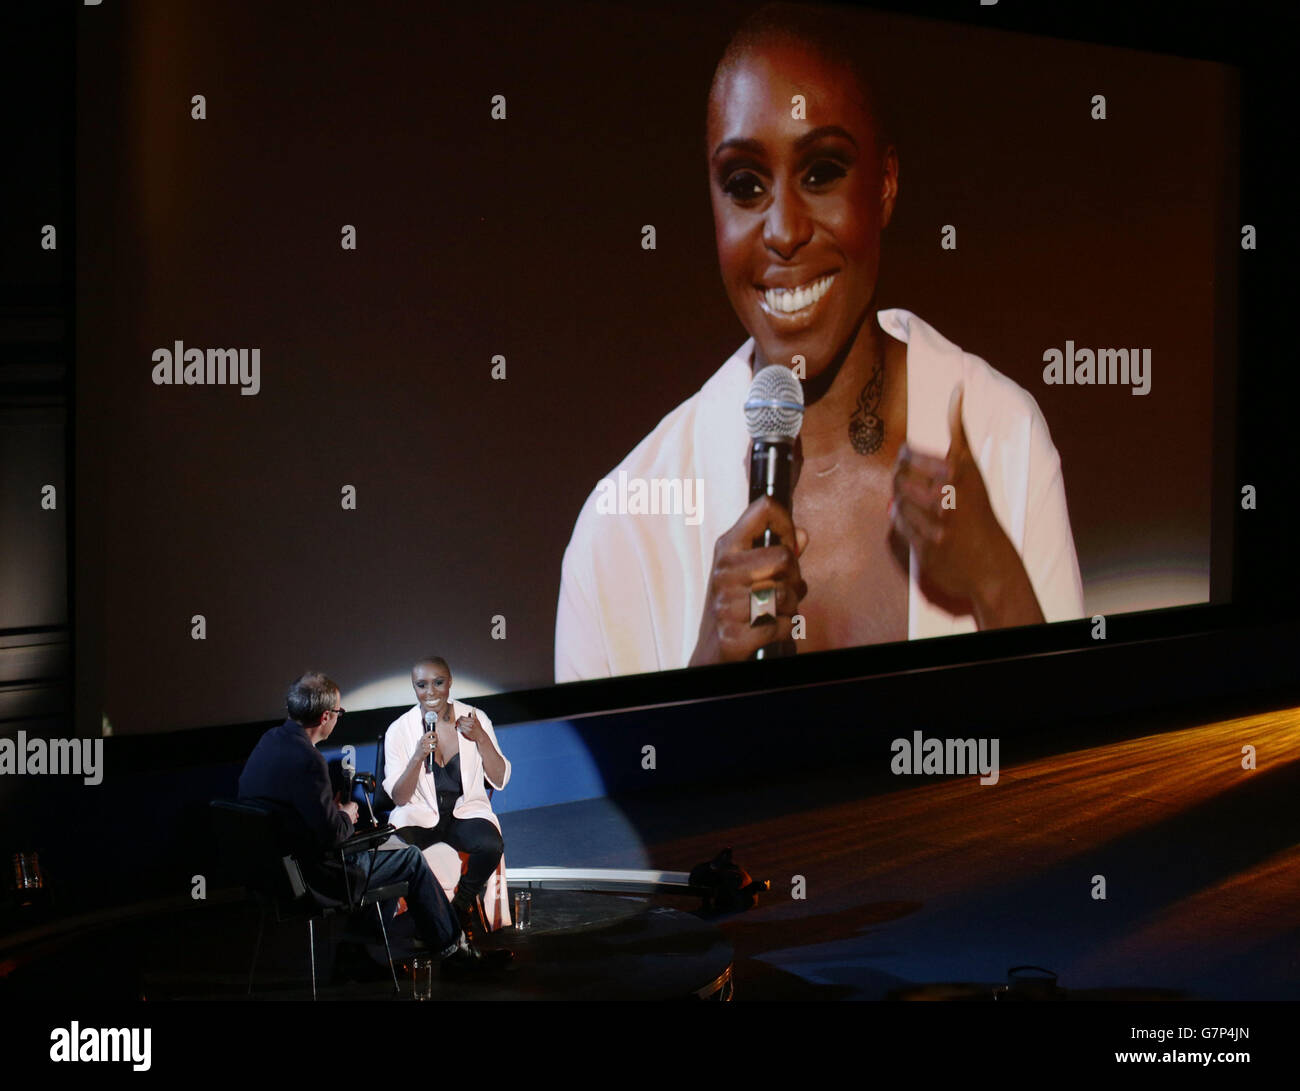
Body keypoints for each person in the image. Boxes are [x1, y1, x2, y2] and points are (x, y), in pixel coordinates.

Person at [555, 4, 1084, 682]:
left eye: (822, 172)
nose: (783, 230)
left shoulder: (1001, 438)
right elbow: (611, 788)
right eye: (745, 185)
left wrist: (996, 583)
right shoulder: (618, 534)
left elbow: (1076, 773)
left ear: (885, 184)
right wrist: (707, 668)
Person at [237, 670, 502, 976]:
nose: (338, 717)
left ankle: (356, 951)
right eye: (338, 712)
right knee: (410, 858)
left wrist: (330, 816)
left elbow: (279, 810)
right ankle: (454, 951)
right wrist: (346, 814)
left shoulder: (269, 741)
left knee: (387, 848)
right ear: (326, 717)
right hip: (315, 876)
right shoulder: (309, 760)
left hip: (272, 874)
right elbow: (334, 837)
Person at [383, 657, 511, 933]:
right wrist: (417, 757)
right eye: (422, 685)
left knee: (490, 845)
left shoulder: (476, 719)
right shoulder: (400, 730)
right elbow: (399, 798)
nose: (430, 692)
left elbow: (499, 779)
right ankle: (421, 917)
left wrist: (481, 738)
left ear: (450, 682)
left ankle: (459, 907)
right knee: (393, 852)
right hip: (418, 814)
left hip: (463, 813)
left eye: (438, 683)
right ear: (413, 687)